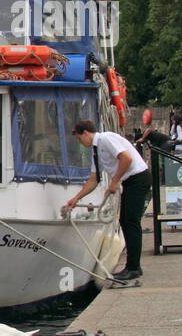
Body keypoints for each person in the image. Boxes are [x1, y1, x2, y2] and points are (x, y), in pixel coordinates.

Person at [63, 119, 150, 281]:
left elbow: (126, 158)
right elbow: (93, 179)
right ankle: (132, 266)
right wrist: (75, 199)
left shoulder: (106, 138)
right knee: (125, 221)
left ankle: (134, 268)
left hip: (138, 178)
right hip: (130, 181)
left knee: (130, 221)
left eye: (79, 139)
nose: (80, 143)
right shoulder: (96, 150)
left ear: (86, 133)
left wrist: (115, 181)